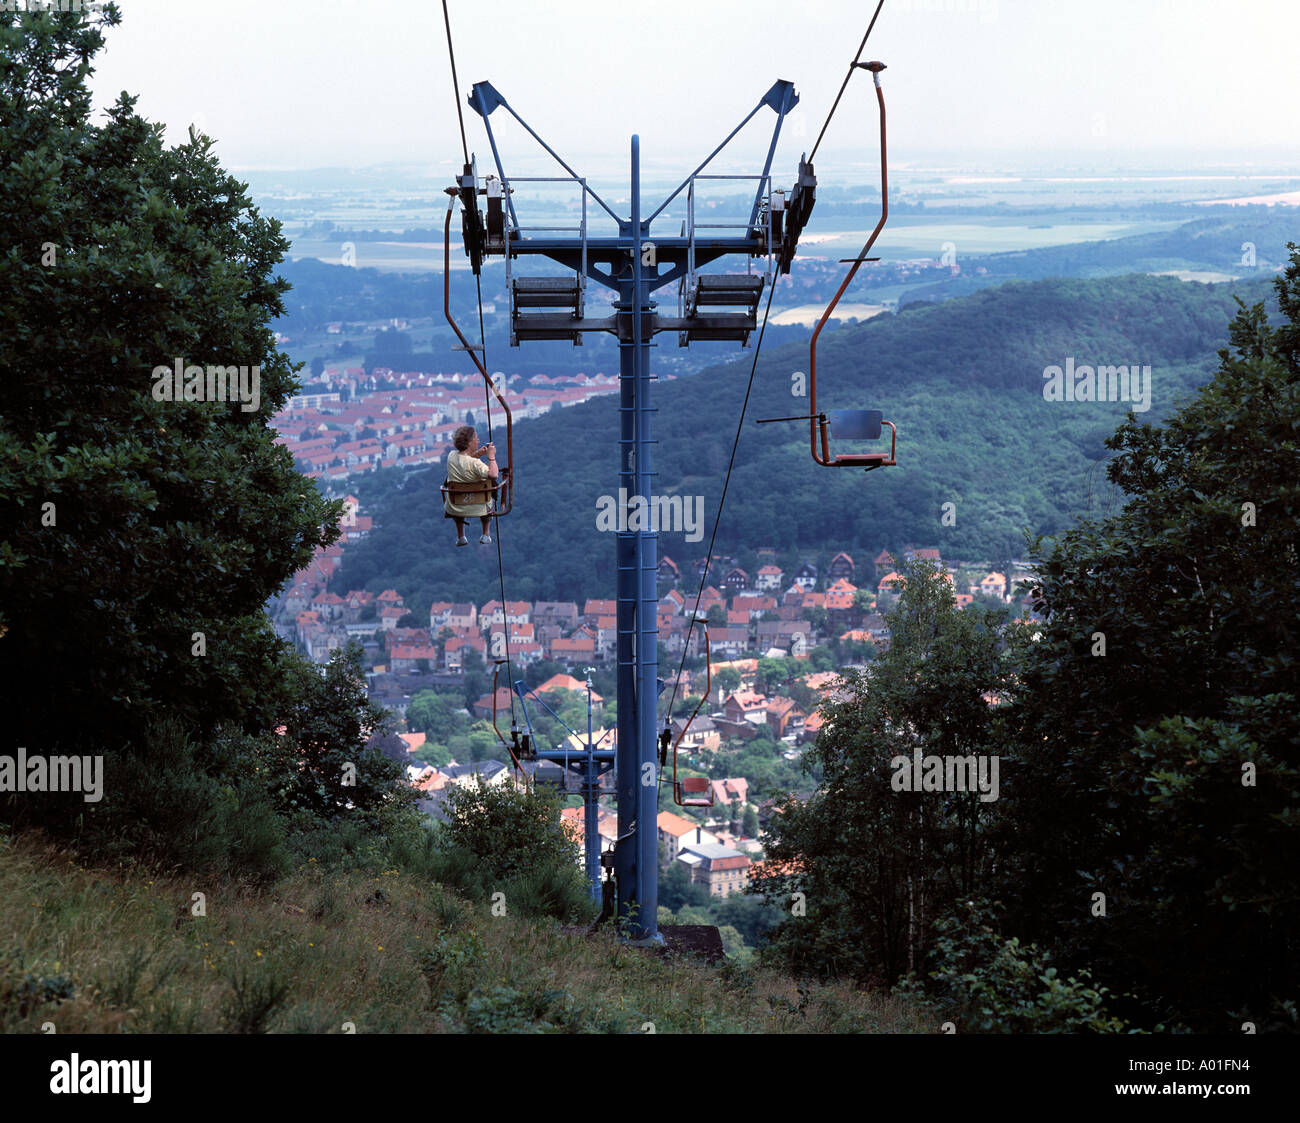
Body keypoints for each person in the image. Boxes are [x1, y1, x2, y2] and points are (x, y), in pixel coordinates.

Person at [443, 425, 498, 546]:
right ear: (469, 443)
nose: (478, 441)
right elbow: (493, 474)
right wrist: (491, 456)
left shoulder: (451, 456)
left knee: (457, 500)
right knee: (490, 495)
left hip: (456, 505)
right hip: (480, 506)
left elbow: (464, 462)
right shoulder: (476, 464)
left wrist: (478, 453)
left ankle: (461, 536)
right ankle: (486, 534)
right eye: (476, 439)